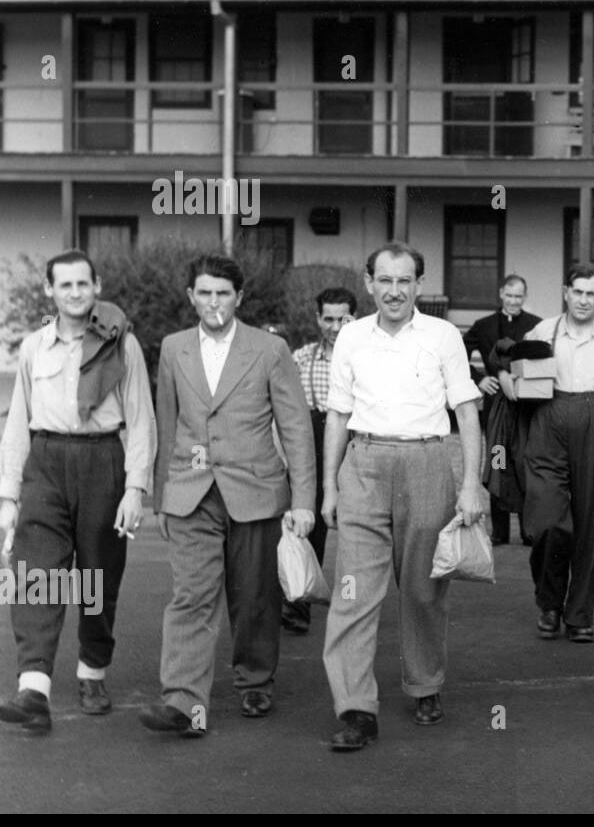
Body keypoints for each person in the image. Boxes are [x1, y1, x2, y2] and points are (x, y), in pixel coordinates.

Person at [141, 255, 316, 737]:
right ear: (191, 297)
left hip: (256, 491)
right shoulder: (174, 348)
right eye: (204, 293)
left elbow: (296, 428)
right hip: (190, 493)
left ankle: (255, 679)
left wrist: (303, 500)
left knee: (254, 596)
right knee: (190, 596)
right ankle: (182, 701)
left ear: (238, 297)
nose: (213, 301)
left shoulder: (269, 349)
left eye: (222, 293)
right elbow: (167, 424)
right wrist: (162, 497)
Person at [321, 242, 485, 752]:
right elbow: (337, 416)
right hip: (364, 465)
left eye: (405, 281)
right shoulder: (350, 336)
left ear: (419, 286)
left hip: (428, 463)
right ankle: (354, 708)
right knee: (352, 592)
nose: (394, 290)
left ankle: (425, 685)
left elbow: (467, 412)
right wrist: (329, 485)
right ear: (369, 283)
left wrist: (470, 482)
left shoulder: (442, 337)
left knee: (422, 588)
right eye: (385, 280)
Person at [0, 251, 156, 734]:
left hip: (102, 461)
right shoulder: (33, 347)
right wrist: (7, 496)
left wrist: (135, 488)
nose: (73, 292)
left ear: (96, 286)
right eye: (63, 285)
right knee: (34, 572)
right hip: (45, 462)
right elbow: (17, 424)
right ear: (49, 290)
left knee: (98, 576)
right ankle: (34, 689)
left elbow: (142, 419)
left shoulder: (121, 346)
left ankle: (92, 670)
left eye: (82, 284)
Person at [521, 264, 594, 643]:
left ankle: (579, 612)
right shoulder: (541, 331)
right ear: (566, 292)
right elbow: (516, 375)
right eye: (577, 292)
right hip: (548, 422)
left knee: (589, 521)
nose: (583, 300)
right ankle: (549, 602)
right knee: (548, 520)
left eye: (591, 294)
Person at [284, 287, 358, 635]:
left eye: (342, 318)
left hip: (355, 439)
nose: (334, 326)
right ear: (317, 319)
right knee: (306, 522)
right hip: (313, 437)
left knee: (354, 529)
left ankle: (350, 603)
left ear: (353, 318)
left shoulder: (365, 356)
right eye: (327, 318)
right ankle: (298, 601)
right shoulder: (302, 357)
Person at [463, 275, 541, 544]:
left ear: (525, 296)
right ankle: (500, 531)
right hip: (496, 407)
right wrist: (479, 378)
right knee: (498, 460)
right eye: (509, 295)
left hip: (525, 407)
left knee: (523, 462)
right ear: (501, 294)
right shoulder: (483, 325)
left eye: (518, 296)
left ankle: (528, 530)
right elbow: (457, 353)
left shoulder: (535, 325)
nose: (513, 301)